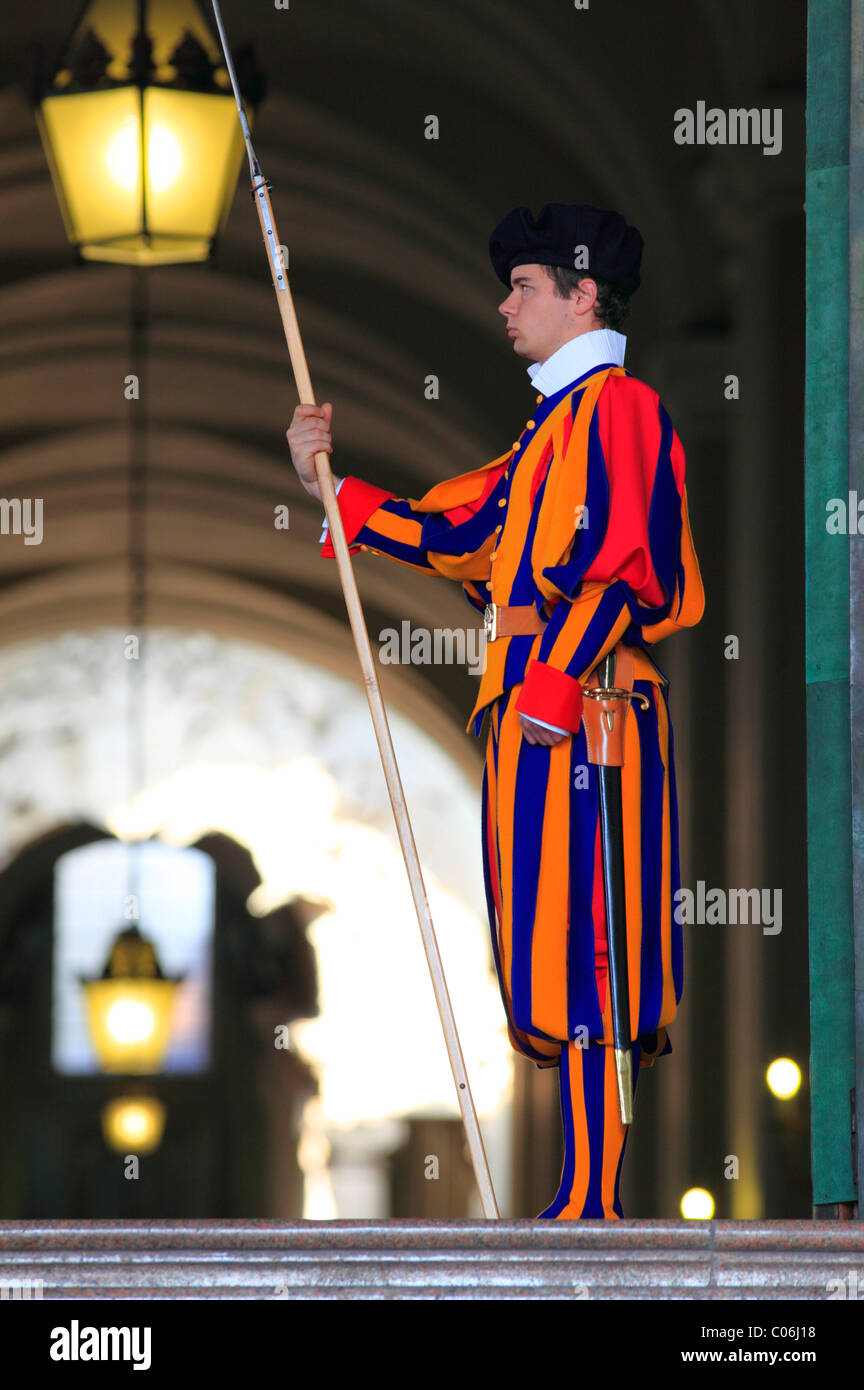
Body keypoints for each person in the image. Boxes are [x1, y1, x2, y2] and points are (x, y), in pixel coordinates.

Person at [286, 203, 705, 1219]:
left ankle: (591, 1195)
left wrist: (555, 694)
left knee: (596, 940)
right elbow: (450, 530)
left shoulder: (622, 411)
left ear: (582, 294)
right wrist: (324, 482)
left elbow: (618, 571)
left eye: (522, 285)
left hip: (584, 707)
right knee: (546, 946)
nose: (502, 304)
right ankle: (581, 1189)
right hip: (531, 711)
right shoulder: (544, 432)